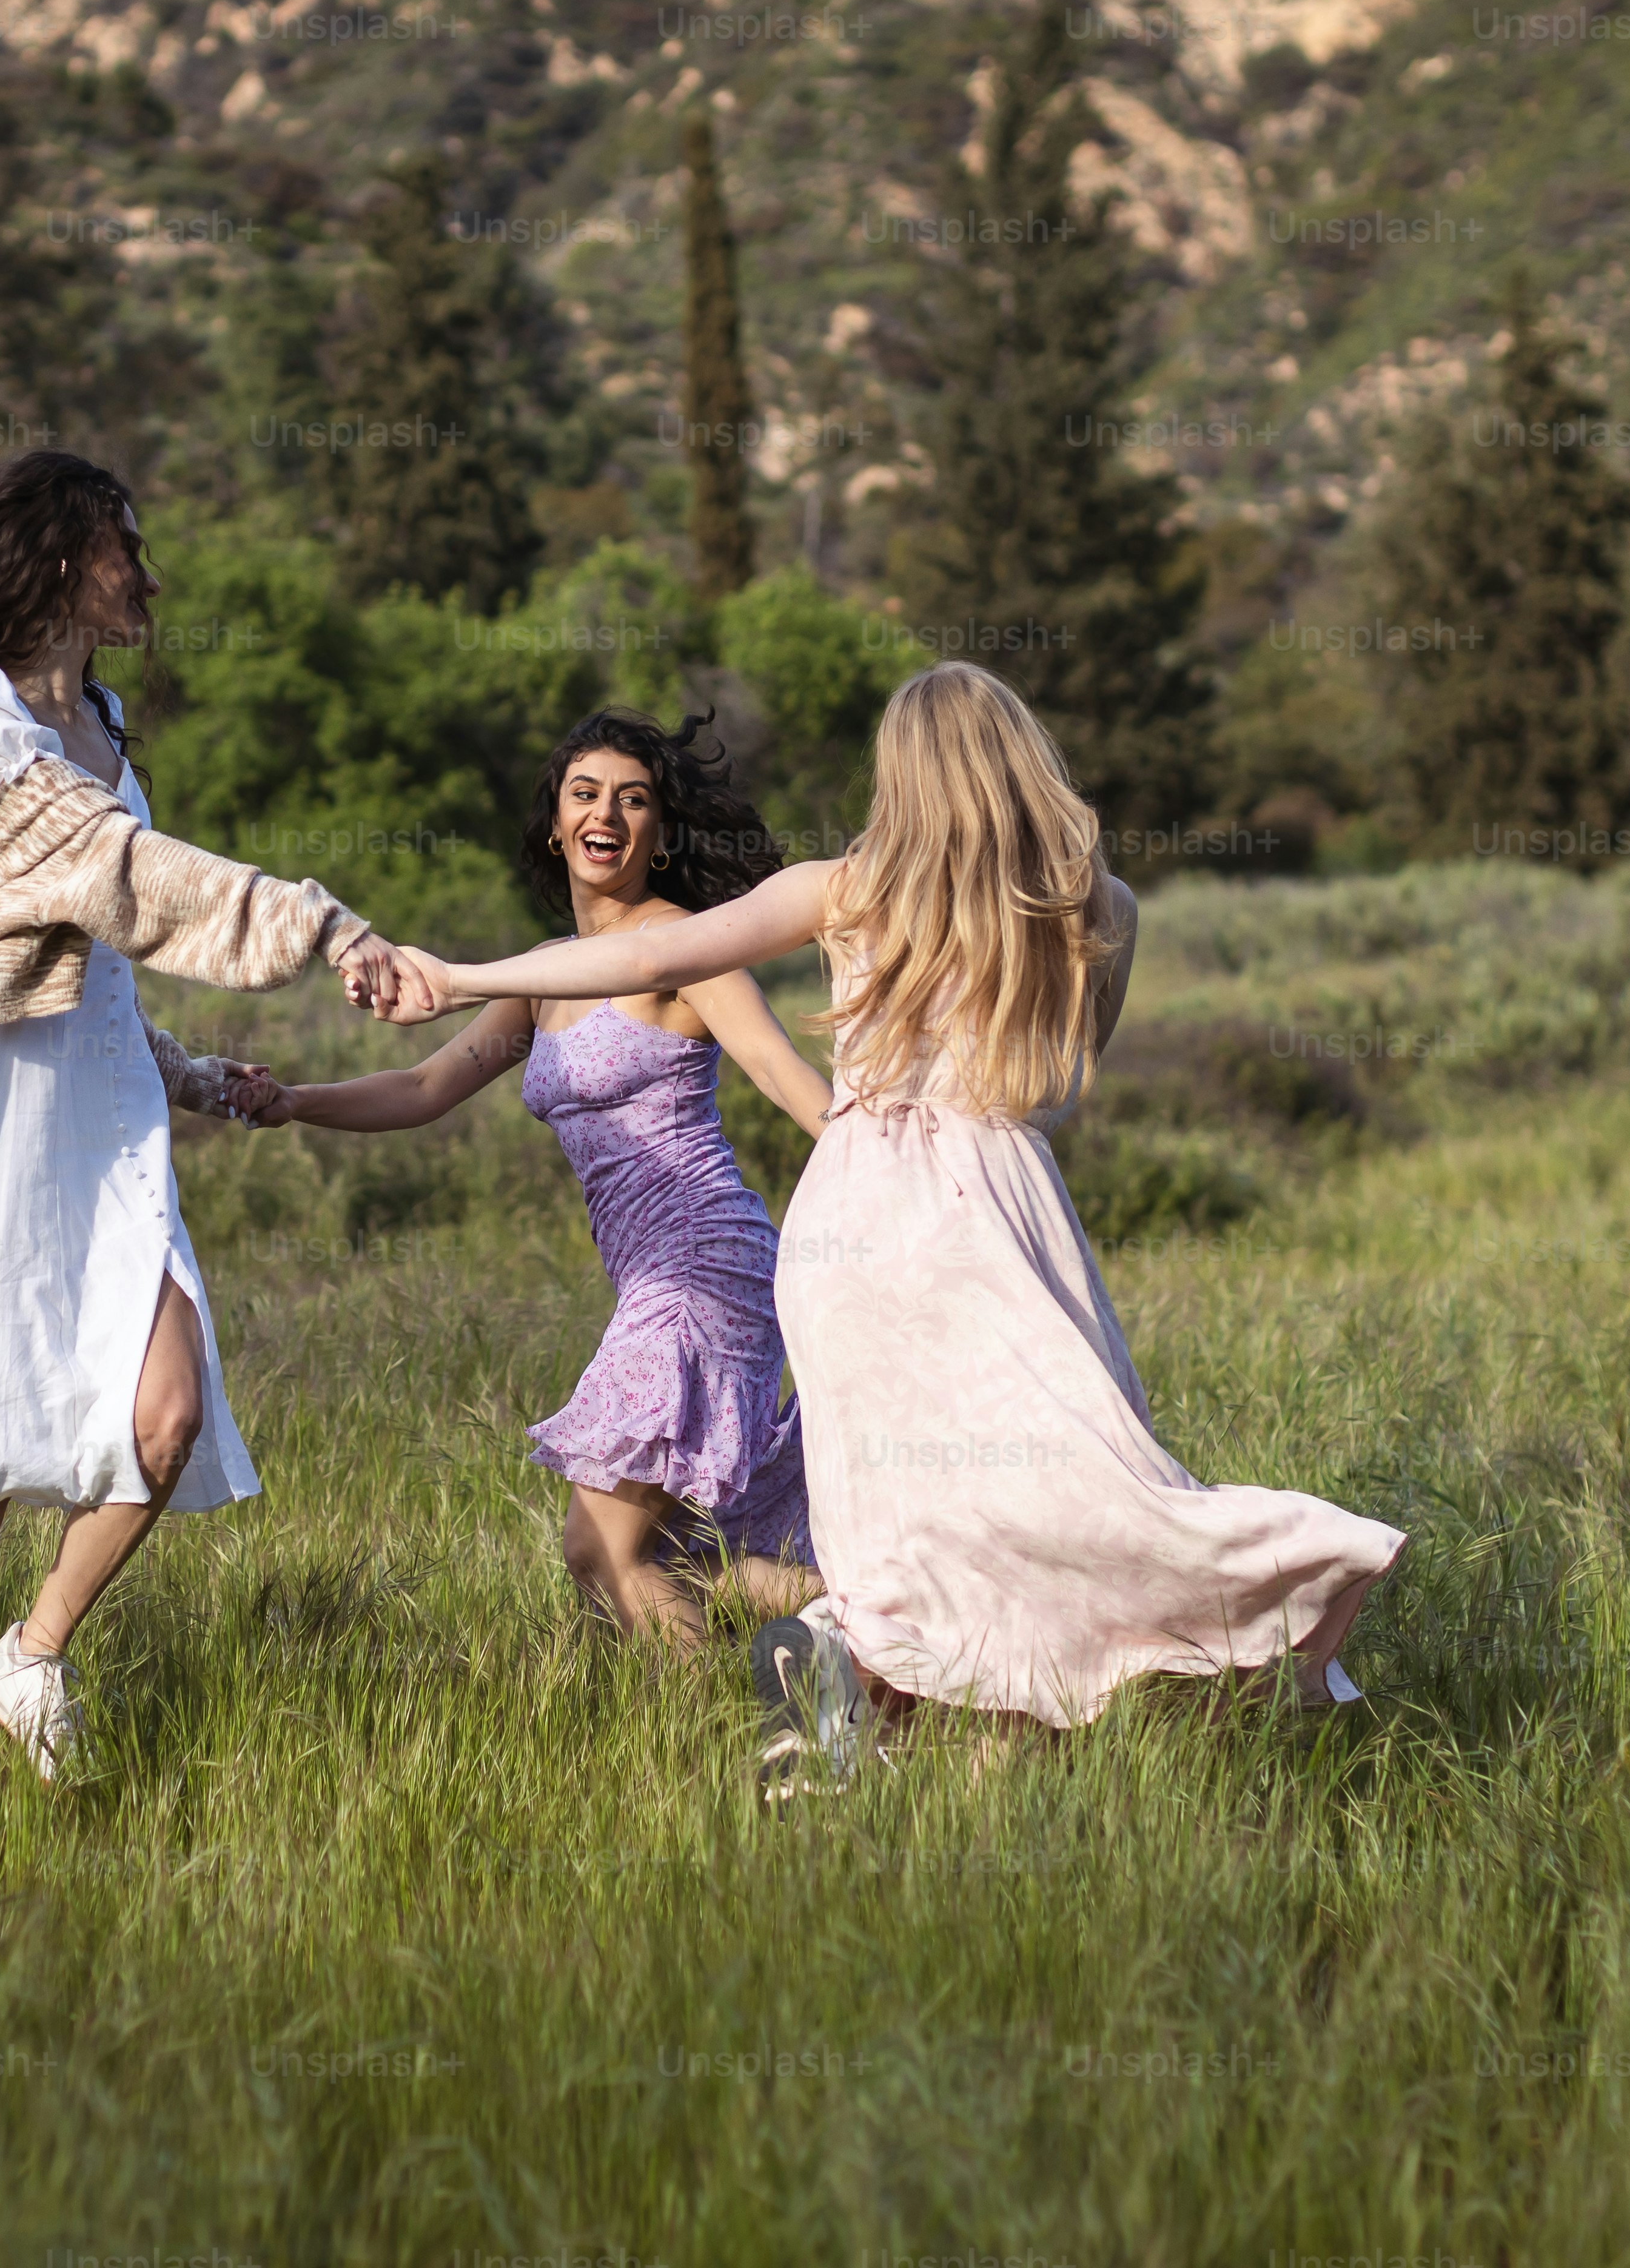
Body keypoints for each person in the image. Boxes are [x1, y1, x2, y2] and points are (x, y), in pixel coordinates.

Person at [362, 663, 1400, 1788]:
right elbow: (1059, 1083)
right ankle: (1019, 1681)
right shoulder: (1104, 909)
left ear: (900, 773)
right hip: (996, 1204)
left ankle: (848, 1692)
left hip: (849, 1217)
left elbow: (658, 954)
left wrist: (457, 973)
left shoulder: (848, 888)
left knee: (893, 1509)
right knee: (1068, 1481)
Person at [0, 451, 398, 1783]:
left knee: (165, 1412)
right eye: (128, 548)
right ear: (61, 556)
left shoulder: (107, 719)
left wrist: (184, 1068)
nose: (150, 577)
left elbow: (95, 952)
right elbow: (110, 873)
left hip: (108, 1114)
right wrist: (316, 917)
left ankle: (34, 1650)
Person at [257, 710, 825, 1640]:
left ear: (663, 833)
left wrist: (878, 1151)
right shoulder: (544, 972)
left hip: (704, 1265)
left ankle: (701, 1751)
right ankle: (872, 1620)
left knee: (601, 1551)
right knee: (681, 1559)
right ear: (557, 825)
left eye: (634, 799)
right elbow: (424, 1085)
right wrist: (292, 1100)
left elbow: (772, 1065)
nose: (607, 813)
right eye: (586, 794)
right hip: (648, 1277)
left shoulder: (681, 941)